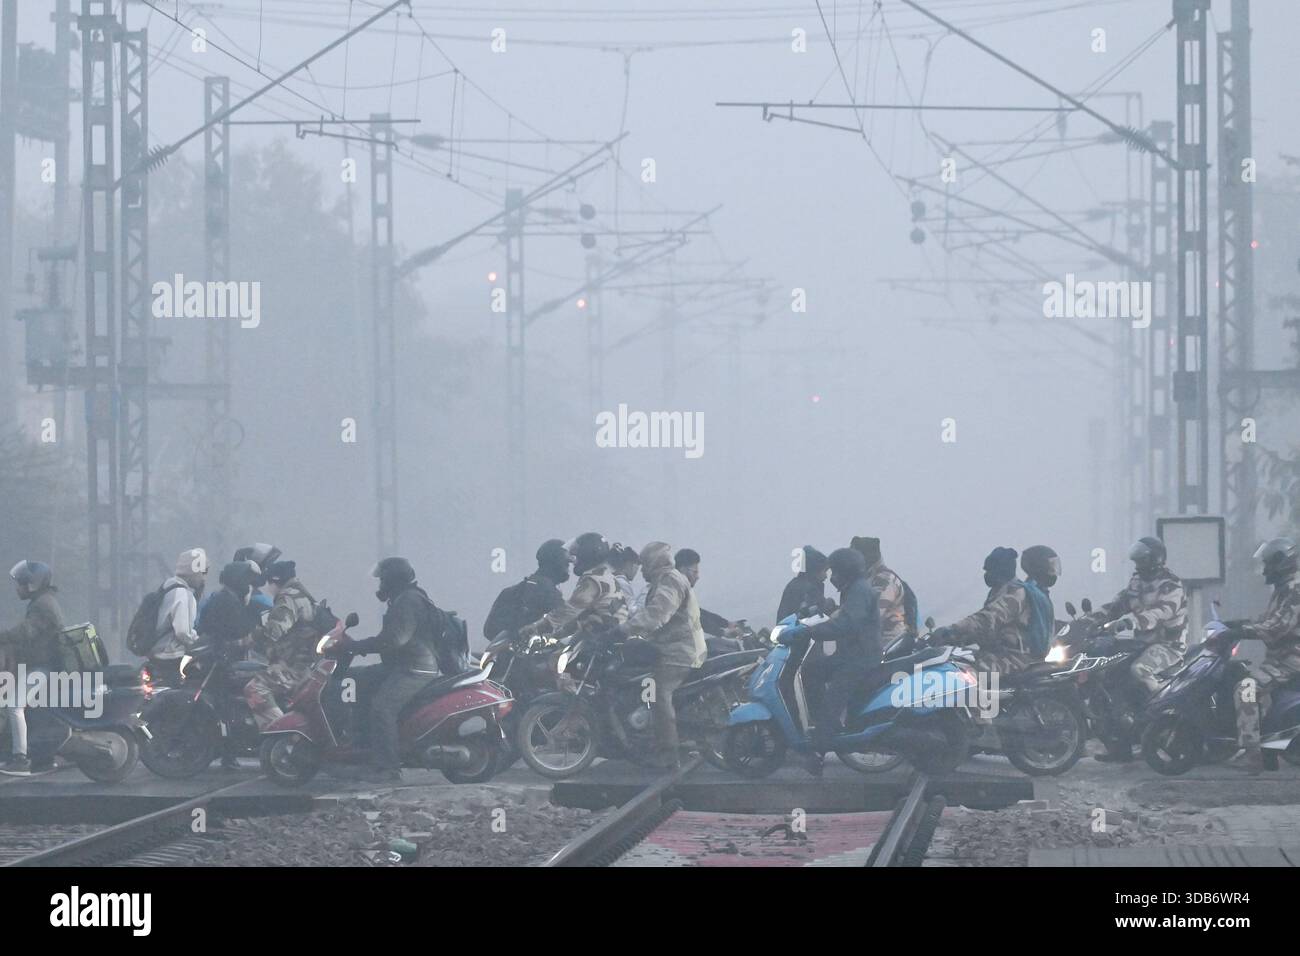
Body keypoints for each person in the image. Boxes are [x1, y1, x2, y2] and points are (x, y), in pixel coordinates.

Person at [337, 558, 444, 782]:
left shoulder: (408, 602)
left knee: (382, 708)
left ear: (392, 580)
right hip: (402, 664)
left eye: (382, 580)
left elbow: (395, 640)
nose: (380, 585)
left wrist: (357, 646)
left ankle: (388, 768)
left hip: (415, 668)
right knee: (358, 678)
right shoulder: (405, 598)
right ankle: (362, 748)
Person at [1081, 536, 1186, 761]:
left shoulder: (1171, 585)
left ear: (1155, 559)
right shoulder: (1136, 582)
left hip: (1168, 646)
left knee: (1140, 670)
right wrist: (1091, 619)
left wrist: (1133, 621)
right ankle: (1120, 746)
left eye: (1142, 560)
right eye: (1137, 561)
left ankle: (1168, 719)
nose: (1138, 566)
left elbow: (1162, 612)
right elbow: (1117, 604)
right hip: (1141, 643)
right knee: (1107, 677)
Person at [787, 547, 882, 775]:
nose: (831, 577)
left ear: (845, 571)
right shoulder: (852, 589)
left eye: (835, 572)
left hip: (861, 658)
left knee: (833, 698)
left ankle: (819, 749)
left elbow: (847, 623)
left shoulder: (859, 590)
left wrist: (810, 633)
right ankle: (828, 728)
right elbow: (841, 616)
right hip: (851, 654)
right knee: (811, 671)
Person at [619, 542, 707, 769]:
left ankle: (669, 755)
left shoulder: (670, 580)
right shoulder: (665, 581)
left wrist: (624, 630)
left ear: (654, 562)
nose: (642, 570)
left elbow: (658, 614)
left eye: (645, 564)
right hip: (670, 648)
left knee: (658, 693)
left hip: (678, 651)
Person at [1231, 538, 1300, 775]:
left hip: (1291, 661)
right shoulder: (1283, 590)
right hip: (1280, 660)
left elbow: (1277, 627)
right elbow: (1267, 619)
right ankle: (1267, 752)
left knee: (1246, 689)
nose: (1264, 570)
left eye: (1267, 564)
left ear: (1280, 565)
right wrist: (1235, 624)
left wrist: (1243, 631)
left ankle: (1253, 755)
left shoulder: (1295, 590)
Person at [0, 561, 64, 775]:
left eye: (21, 583)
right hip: (44, 666)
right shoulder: (44, 601)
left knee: (14, 705)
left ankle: (20, 759)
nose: (18, 588)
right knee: (36, 713)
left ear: (33, 584)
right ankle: (44, 759)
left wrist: (3, 637)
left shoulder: (42, 605)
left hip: (45, 668)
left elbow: (26, 632)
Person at [241, 561, 321, 730]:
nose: (268, 588)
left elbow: (274, 630)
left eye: (269, 583)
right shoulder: (302, 595)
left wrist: (246, 640)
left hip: (295, 668)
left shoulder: (288, 598)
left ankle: (282, 730)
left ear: (275, 581)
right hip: (306, 666)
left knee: (255, 688)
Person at [932, 547, 1033, 677]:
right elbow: (985, 630)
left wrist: (953, 629)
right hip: (994, 653)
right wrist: (952, 639)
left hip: (1012, 658)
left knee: (964, 679)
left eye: (990, 571)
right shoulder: (998, 591)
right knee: (955, 662)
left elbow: (986, 620)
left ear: (1000, 570)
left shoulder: (1016, 593)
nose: (987, 575)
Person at [519, 533, 627, 639]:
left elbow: (570, 609)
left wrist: (537, 627)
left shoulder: (593, 579)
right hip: (611, 635)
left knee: (556, 656)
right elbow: (580, 617)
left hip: (604, 638)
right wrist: (556, 636)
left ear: (588, 556)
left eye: (577, 557)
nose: (574, 561)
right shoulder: (605, 575)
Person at [482, 539, 570, 641]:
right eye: (567, 564)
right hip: (536, 655)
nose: (568, 569)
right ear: (556, 563)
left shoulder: (511, 591)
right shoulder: (548, 592)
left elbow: (489, 631)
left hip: (506, 654)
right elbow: (567, 623)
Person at [147, 548, 210, 688]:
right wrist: (198, 643)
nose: (204, 578)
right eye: (203, 572)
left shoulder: (168, 586)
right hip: (171, 658)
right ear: (194, 572)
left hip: (155, 654)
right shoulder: (183, 594)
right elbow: (182, 631)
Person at [852, 536, 909, 644]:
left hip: (889, 644)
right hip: (873, 643)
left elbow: (874, 614)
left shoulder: (884, 580)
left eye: (855, 556)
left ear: (866, 556)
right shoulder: (868, 579)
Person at [777, 546, 831, 621]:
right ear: (814, 571)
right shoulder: (810, 589)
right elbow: (814, 617)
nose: (826, 576)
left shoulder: (794, 584)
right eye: (824, 571)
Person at [610, 544, 642, 615]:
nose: (637, 570)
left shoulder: (610, 578)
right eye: (636, 565)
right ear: (629, 564)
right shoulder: (622, 583)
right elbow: (631, 611)